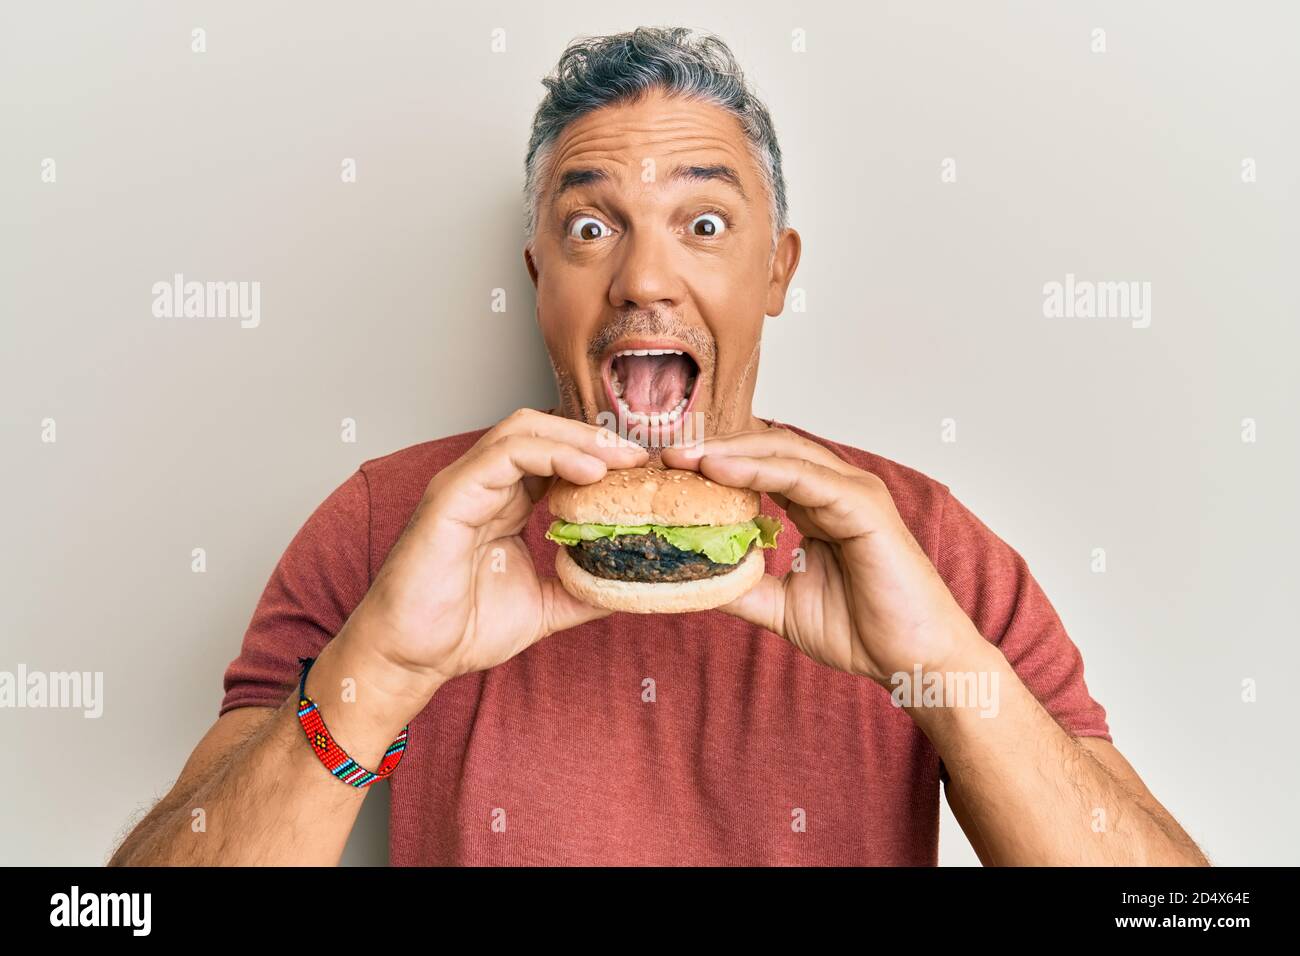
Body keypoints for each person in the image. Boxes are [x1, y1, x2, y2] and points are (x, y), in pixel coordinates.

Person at [110, 27, 1206, 866]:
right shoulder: (392, 520)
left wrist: (947, 674)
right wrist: (380, 672)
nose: (642, 277)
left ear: (776, 272)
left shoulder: (919, 541)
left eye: (705, 224)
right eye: (590, 228)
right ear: (539, 277)